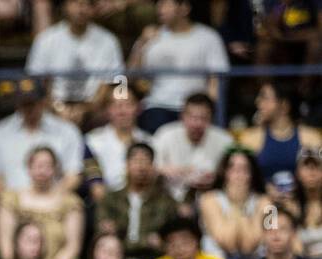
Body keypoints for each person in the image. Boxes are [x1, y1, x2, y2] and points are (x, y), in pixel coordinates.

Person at [128, 0, 229, 134]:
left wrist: (210, 109)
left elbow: (216, 80)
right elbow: (130, 77)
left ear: (184, 8)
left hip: (195, 109)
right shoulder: (150, 37)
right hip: (157, 106)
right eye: (158, 4)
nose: (160, 8)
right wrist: (141, 43)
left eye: (165, 4)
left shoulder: (208, 37)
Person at [25, 0, 124, 124]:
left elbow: (112, 82)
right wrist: (57, 109)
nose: (81, 9)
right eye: (75, 3)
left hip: (94, 111)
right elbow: (39, 83)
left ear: (94, 8)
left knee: (118, 103)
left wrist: (86, 109)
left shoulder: (108, 41)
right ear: (65, 6)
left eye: (87, 4)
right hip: (53, 108)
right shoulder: (45, 40)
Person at [0, 80, 84, 196]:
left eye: (32, 102)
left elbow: (73, 177)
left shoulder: (67, 131)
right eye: (24, 103)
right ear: (17, 102)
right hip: (12, 206)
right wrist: (13, 203)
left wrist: (50, 201)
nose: (29, 108)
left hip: (55, 207)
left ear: (43, 101)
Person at [96, 143, 179, 259]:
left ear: (153, 167)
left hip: (154, 258)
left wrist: (162, 243)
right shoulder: (111, 198)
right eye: (136, 161)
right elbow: (103, 227)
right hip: (118, 256)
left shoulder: (166, 201)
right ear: (127, 165)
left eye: (145, 161)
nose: (141, 167)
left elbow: (172, 234)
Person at [151, 93, 234, 204]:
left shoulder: (224, 140)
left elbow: (234, 172)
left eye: (203, 118)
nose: (197, 123)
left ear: (211, 118)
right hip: (168, 200)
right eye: (192, 117)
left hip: (211, 200)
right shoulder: (165, 134)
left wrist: (216, 177)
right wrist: (173, 171)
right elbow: (150, 168)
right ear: (182, 116)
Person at [197, 148, 271, 259]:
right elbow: (227, 243)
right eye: (232, 168)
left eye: (244, 169)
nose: (238, 174)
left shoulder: (268, 203)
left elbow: (248, 246)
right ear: (224, 172)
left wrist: (240, 205)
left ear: (252, 174)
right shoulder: (208, 200)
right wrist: (236, 205)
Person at [238, 83, 322, 184]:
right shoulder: (250, 139)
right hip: (263, 198)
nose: (258, 102)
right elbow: (239, 177)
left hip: (300, 198)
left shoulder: (310, 138)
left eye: (264, 98)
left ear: (284, 105)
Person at [83, 90, 151, 200]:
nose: (122, 111)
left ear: (138, 108)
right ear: (107, 110)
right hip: (108, 201)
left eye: (128, 105)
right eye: (116, 105)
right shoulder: (93, 141)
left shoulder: (148, 141)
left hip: (143, 199)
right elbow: (95, 185)